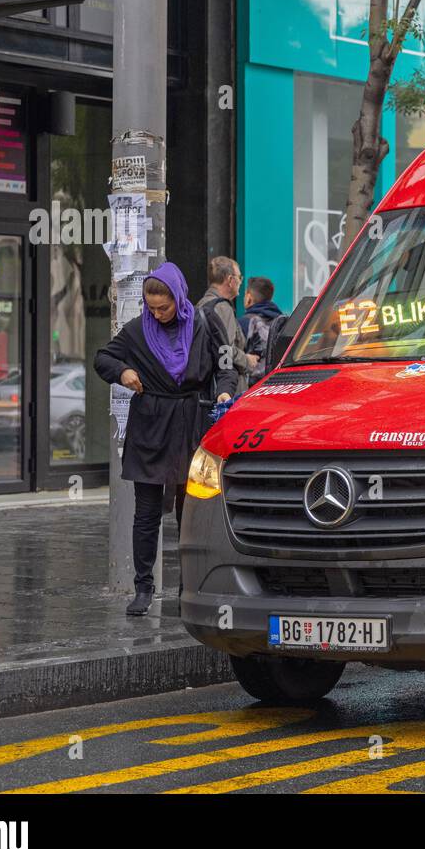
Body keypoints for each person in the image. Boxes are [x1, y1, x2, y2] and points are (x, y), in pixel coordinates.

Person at [95, 262, 237, 616]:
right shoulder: (135, 332)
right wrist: (123, 371)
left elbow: (225, 367)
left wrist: (223, 393)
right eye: (151, 307)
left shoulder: (205, 324)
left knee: (191, 513)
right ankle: (143, 587)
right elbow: (103, 358)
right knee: (146, 514)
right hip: (150, 426)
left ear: (178, 297)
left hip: (191, 422)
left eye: (164, 307)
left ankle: (190, 587)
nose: (157, 314)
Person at [197, 256, 258, 393]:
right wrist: (247, 361)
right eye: (239, 277)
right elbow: (226, 349)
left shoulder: (200, 305)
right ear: (230, 280)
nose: (241, 282)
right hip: (226, 389)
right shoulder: (223, 308)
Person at [238, 276, 283, 379]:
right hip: (275, 382)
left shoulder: (244, 322)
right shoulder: (281, 321)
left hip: (251, 387)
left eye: (245, 294)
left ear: (249, 297)